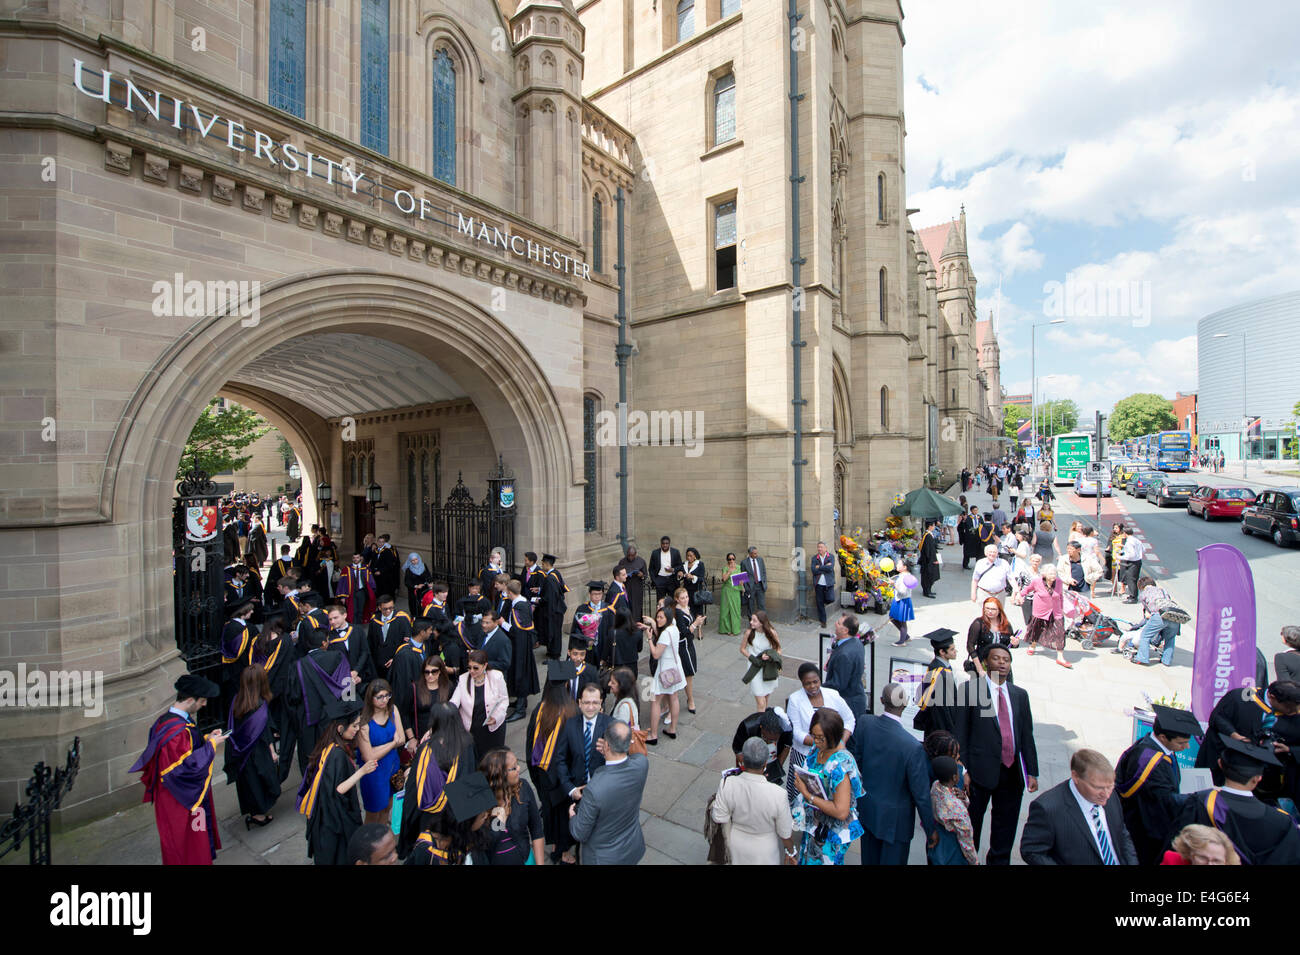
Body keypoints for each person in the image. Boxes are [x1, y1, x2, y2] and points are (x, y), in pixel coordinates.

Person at [955, 644, 1039, 865]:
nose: (1002, 663)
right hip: (979, 773)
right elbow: (960, 734)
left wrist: (1032, 771)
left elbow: (1026, 734)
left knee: (1005, 828)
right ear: (985, 663)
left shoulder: (1020, 695)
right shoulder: (970, 690)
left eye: (1006, 659)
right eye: (997, 659)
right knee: (972, 826)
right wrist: (962, 769)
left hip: (1011, 773)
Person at [129, 673, 226, 864]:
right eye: (202, 700)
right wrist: (211, 746)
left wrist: (206, 739)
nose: (204, 705)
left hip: (176, 794)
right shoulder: (177, 732)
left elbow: (184, 752)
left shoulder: (166, 721)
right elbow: (182, 768)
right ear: (190, 700)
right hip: (180, 798)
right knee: (186, 842)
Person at [1170, 735, 1300, 865]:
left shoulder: (1199, 803)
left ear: (1220, 764)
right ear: (1258, 778)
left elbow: (1177, 850)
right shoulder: (1283, 822)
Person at [855, 684, 936, 865]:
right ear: (905, 704)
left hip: (868, 811)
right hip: (896, 823)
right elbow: (921, 795)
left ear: (882, 701)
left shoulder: (865, 723)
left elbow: (856, 762)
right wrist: (931, 830)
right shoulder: (912, 746)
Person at [296, 698, 378, 865]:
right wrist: (362, 771)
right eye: (354, 725)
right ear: (341, 728)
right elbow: (339, 789)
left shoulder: (328, 744)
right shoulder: (337, 755)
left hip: (326, 814)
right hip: (334, 819)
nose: (357, 729)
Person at [1116, 704, 1199, 866]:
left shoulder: (1155, 747)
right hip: (1144, 826)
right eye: (1181, 743)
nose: (1186, 747)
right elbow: (1165, 800)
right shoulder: (1151, 763)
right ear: (1162, 737)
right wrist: (1197, 799)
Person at [1021, 749, 1137, 865]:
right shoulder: (1048, 809)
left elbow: (1121, 831)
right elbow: (1031, 851)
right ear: (1075, 776)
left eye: (1110, 786)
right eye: (1098, 788)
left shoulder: (1110, 795)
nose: (1106, 794)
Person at [396, 702, 475, 859]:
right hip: (456, 814)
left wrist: (408, 827)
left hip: (429, 818)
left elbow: (413, 790)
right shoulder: (467, 744)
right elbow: (470, 780)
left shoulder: (426, 748)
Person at [566, 721, 649, 865]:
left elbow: (580, 832)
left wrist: (572, 816)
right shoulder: (642, 764)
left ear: (607, 746)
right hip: (632, 849)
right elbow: (634, 756)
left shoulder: (595, 788)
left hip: (603, 858)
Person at [1195, 680, 1300, 788]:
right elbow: (1218, 718)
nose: (1294, 712)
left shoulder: (1295, 714)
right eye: (1288, 708)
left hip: (1259, 776)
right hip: (1221, 759)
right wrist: (1234, 735)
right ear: (1271, 696)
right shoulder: (1240, 697)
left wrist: (1289, 749)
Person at [792, 708, 864, 865]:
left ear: (833, 736)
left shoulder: (841, 765)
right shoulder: (818, 748)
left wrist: (807, 794)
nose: (816, 742)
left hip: (829, 835)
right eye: (814, 736)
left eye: (820, 738)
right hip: (814, 826)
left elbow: (841, 811)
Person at [712, 739, 797, 865]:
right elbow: (785, 833)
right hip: (765, 852)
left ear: (743, 762)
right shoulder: (778, 794)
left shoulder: (728, 784)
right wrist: (791, 851)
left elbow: (719, 817)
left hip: (736, 847)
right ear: (765, 764)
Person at [526, 664, 578, 863]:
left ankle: (555, 844)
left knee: (549, 811)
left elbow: (530, 741)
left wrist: (534, 771)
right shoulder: (572, 711)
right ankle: (563, 850)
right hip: (562, 775)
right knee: (563, 813)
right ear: (566, 683)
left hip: (542, 772)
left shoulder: (540, 709)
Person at [786, 662, 856, 802]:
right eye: (807, 683)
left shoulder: (833, 695)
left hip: (832, 756)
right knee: (801, 792)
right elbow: (796, 732)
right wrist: (820, 743)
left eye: (815, 682)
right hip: (804, 755)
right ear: (802, 683)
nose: (812, 687)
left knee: (831, 793)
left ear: (820, 679)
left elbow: (849, 720)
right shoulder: (795, 699)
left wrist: (838, 742)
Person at [223, 665, 280, 829]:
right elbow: (264, 733)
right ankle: (258, 816)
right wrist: (272, 751)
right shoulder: (259, 705)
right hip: (257, 750)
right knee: (264, 782)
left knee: (249, 783)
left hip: (241, 749)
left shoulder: (236, 699)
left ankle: (254, 813)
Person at [480, 747, 546, 865]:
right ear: (500, 775)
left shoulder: (523, 788)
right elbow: (486, 843)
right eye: (514, 768)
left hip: (525, 859)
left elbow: (536, 830)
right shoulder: (481, 800)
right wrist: (501, 815)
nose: (519, 769)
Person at [356, 679, 408, 826]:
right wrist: (392, 743)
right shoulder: (364, 721)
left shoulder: (393, 710)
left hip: (392, 768)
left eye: (387, 695)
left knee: (388, 808)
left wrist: (378, 749)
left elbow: (402, 739)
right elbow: (369, 757)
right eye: (379, 697)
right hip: (374, 773)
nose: (384, 700)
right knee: (373, 814)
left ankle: (382, 841)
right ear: (370, 698)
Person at [452, 649, 509, 760]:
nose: (471, 671)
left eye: (475, 668)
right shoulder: (463, 679)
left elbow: (503, 700)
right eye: (469, 667)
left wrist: (496, 717)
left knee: (495, 761)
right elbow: (454, 702)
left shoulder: (496, 676)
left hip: (493, 729)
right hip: (473, 730)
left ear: (485, 666)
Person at [502, 578, 541, 722]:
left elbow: (517, 630)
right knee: (517, 672)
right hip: (517, 644)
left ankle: (520, 709)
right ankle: (520, 701)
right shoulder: (519, 603)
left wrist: (503, 623)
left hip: (521, 645)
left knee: (521, 673)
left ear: (510, 592)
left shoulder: (520, 607)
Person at [646, 608, 687, 744]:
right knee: (674, 697)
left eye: (661, 617)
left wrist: (650, 639)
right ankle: (672, 729)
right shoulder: (674, 628)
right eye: (657, 617)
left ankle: (653, 734)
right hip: (675, 668)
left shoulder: (665, 634)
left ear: (667, 618)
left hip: (665, 670)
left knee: (655, 700)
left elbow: (656, 654)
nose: (658, 620)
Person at [1018, 563, 1070, 668]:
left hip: (1056, 612)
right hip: (1040, 610)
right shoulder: (1037, 581)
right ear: (1045, 574)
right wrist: (1019, 595)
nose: (1053, 576)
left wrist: (1063, 608)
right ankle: (1033, 645)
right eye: (1051, 574)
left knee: (1060, 632)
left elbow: (1060, 596)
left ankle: (1060, 656)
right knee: (1037, 629)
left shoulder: (1059, 582)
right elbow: (1027, 589)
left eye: (1055, 573)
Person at [928, 756, 977, 865]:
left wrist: (963, 798)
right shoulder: (958, 810)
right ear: (955, 777)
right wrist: (974, 861)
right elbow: (966, 838)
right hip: (954, 850)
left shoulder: (935, 786)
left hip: (940, 846)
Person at [823, 612, 868, 721]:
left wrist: (818, 688)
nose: (835, 624)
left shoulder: (844, 654)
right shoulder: (856, 642)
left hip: (849, 704)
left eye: (838, 623)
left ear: (845, 630)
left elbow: (838, 684)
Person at [913, 628, 960, 734]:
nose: (955, 651)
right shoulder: (940, 673)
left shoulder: (937, 665)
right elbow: (945, 707)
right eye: (952, 649)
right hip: (940, 724)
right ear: (942, 652)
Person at [731, 708, 793, 784]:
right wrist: (749, 770)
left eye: (772, 740)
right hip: (749, 761)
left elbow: (786, 747)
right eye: (765, 737)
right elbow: (738, 750)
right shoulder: (748, 726)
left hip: (772, 758)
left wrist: (776, 769)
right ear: (761, 727)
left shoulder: (786, 729)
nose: (767, 742)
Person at [1131, 577, 1181, 668]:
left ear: (1141, 586)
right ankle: (1166, 660)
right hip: (1174, 615)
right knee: (1170, 638)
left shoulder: (1143, 594)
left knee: (1145, 635)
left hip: (1159, 615)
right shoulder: (1163, 590)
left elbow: (1148, 612)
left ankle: (1142, 658)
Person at [740, 611, 782, 710]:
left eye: (754, 621)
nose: (751, 622)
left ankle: (763, 720)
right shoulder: (749, 633)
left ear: (762, 622)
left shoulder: (772, 633)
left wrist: (770, 656)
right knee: (761, 702)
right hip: (754, 668)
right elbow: (742, 649)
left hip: (768, 668)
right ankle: (760, 724)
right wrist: (753, 658)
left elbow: (779, 649)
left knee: (766, 699)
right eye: (751, 620)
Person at [672, 587, 704, 712]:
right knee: (688, 673)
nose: (685, 600)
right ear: (677, 599)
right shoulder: (678, 612)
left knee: (689, 672)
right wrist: (695, 624)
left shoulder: (687, 608)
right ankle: (690, 699)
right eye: (682, 598)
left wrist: (697, 625)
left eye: (686, 597)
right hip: (683, 645)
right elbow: (683, 632)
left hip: (689, 643)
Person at [1161, 824, 1240, 865]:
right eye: (1202, 857)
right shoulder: (1173, 861)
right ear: (1189, 853)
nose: (1209, 864)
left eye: (1217, 861)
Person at [614, 546, 648, 621]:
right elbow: (618, 574)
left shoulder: (641, 561)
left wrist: (641, 575)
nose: (630, 557)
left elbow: (645, 575)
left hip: (637, 588)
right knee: (627, 606)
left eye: (632, 555)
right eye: (628, 555)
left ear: (635, 554)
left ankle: (637, 625)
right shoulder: (622, 562)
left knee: (637, 608)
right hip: (626, 587)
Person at [888, 560, 917, 647]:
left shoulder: (905, 577)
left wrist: (894, 584)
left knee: (901, 621)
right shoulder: (903, 575)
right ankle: (905, 636)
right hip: (899, 599)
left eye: (899, 564)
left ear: (905, 567)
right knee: (893, 618)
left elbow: (903, 592)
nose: (896, 565)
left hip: (902, 600)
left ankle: (902, 641)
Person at [647, 536, 682, 606]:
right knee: (660, 602)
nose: (665, 545)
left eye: (667, 543)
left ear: (669, 544)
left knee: (672, 602)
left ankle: (672, 616)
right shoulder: (655, 553)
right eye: (663, 543)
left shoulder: (675, 552)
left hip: (672, 579)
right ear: (661, 544)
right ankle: (660, 616)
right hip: (660, 579)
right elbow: (651, 568)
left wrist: (673, 570)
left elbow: (680, 566)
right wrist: (655, 580)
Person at [718, 552, 744, 635]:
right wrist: (729, 571)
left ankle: (735, 630)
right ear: (727, 560)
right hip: (726, 591)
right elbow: (724, 579)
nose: (731, 560)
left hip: (735, 591)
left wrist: (742, 585)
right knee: (725, 610)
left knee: (735, 610)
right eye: (730, 559)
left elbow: (741, 581)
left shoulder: (739, 567)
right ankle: (726, 629)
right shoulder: (725, 568)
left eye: (733, 558)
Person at [811, 540, 836, 626]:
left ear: (825, 548)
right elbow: (814, 570)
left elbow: (830, 568)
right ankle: (823, 621)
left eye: (821, 547)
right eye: (818, 547)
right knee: (819, 602)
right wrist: (825, 567)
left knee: (831, 599)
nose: (819, 549)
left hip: (828, 583)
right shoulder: (815, 558)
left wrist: (820, 567)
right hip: (819, 584)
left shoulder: (831, 557)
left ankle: (825, 601)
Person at [1116, 526, 1145, 603]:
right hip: (1138, 561)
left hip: (1132, 562)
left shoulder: (1129, 542)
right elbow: (1143, 549)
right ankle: (1133, 595)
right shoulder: (1137, 540)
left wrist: (1119, 557)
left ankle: (1133, 597)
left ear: (1125, 533)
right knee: (1134, 579)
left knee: (1131, 580)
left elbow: (1131, 554)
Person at [608, 667, 640, 731]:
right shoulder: (622, 699)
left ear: (622, 686)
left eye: (613, 682)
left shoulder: (624, 707)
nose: (609, 684)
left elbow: (619, 732)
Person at [401, 552, 432, 618]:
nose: (415, 561)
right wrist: (416, 586)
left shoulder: (424, 566)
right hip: (414, 591)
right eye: (412, 560)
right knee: (414, 605)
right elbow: (407, 582)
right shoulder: (408, 570)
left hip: (424, 589)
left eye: (416, 559)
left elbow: (428, 575)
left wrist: (429, 582)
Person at [743, 546, 769, 615]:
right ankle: (752, 624)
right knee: (751, 606)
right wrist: (746, 588)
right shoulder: (744, 562)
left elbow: (763, 572)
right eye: (754, 553)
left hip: (760, 585)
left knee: (762, 605)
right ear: (750, 554)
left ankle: (762, 622)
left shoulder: (760, 560)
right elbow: (743, 577)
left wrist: (765, 583)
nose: (756, 555)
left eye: (756, 553)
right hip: (751, 587)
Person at [918, 521, 941, 598]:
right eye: (933, 525)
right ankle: (926, 592)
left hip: (930, 558)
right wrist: (932, 559)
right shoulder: (927, 536)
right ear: (930, 526)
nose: (934, 527)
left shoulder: (928, 535)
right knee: (928, 575)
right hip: (928, 560)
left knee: (930, 575)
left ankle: (929, 590)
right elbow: (928, 550)